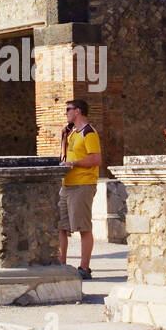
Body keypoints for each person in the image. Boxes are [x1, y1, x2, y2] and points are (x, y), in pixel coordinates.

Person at [58, 99, 101, 279]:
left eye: (68, 109)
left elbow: (96, 159)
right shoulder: (71, 132)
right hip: (66, 185)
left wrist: (74, 163)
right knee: (60, 226)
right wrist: (63, 139)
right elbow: (63, 156)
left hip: (83, 185)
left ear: (78, 111)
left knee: (83, 227)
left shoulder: (89, 132)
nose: (65, 113)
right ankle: (60, 264)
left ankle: (84, 268)